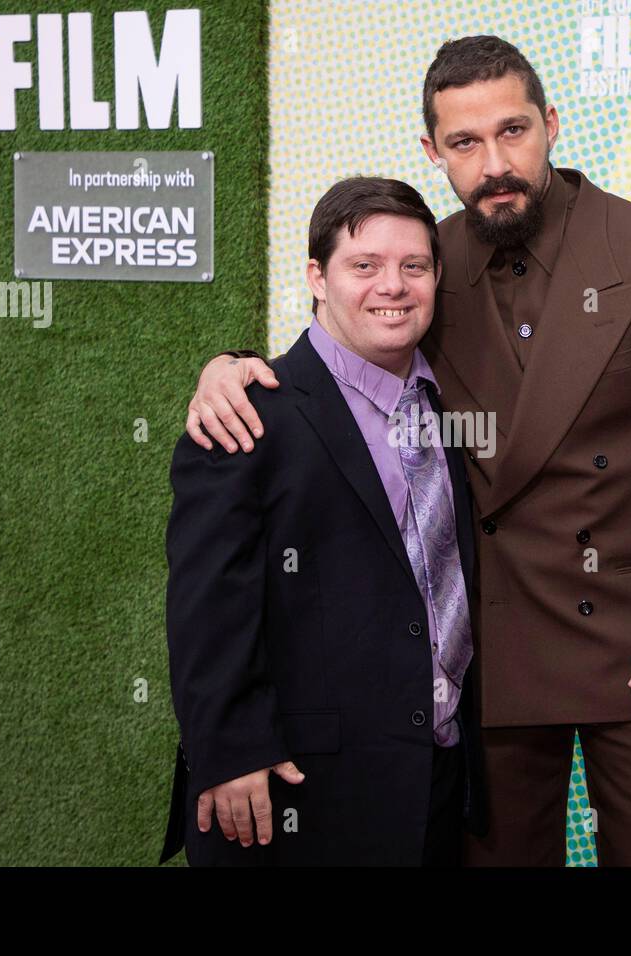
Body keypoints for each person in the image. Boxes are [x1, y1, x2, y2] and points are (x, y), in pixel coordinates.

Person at [184, 35, 631, 866]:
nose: (495, 163)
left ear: (552, 125)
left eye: (513, 132)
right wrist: (233, 367)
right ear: (432, 152)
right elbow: (333, 358)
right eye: (465, 143)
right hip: (488, 650)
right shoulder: (424, 262)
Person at [159, 176, 486, 866]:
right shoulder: (247, 412)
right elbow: (206, 602)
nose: (391, 286)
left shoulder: (447, 410)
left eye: (414, 266)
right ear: (317, 276)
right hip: (298, 792)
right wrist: (230, 749)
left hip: (435, 785)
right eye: (363, 266)